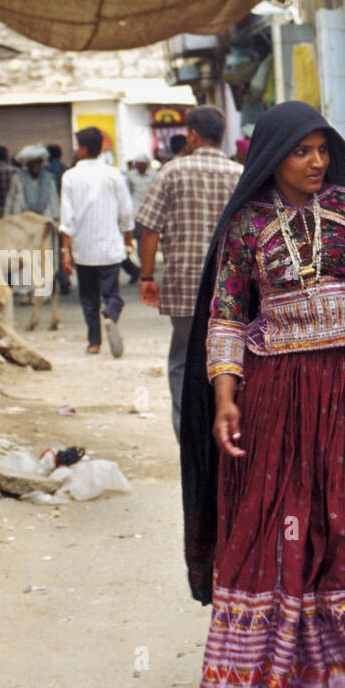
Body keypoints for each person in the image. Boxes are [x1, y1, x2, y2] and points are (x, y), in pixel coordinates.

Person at [180, 101, 345, 688]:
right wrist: (226, 396)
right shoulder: (246, 227)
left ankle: (341, 662)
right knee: (287, 526)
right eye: (300, 151)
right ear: (271, 158)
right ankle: (304, 674)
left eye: (321, 149)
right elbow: (227, 314)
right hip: (275, 392)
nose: (315, 162)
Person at [135, 105, 243, 440]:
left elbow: (149, 228)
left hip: (184, 286)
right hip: (231, 290)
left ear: (193, 135)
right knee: (229, 360)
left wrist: (147, 276)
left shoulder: (171, 172)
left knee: (183, 362)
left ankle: (188, 436)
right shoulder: (239, 174)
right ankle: (228, 428)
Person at [58, 126, 134, 357]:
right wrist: (128, 240)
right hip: (109, 248)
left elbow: (66, 217)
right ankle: (110, 314)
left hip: (83, 249)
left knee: (88, 297)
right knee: (112, 294)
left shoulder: (70, 176)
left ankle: (94, 343)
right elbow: (126, 211)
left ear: (81, 148)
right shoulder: (113, 175)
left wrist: (65, 251)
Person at [122, 154, 158, 285]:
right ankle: (144, 267)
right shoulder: (131, 176)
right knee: (139, 239)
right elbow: (127, 194)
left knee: (149, 239)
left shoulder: (154, 175)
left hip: (151, 211)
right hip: (136, 212)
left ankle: (148, 266)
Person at [4, 144, 60, 222]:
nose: (35, 166)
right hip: (23, 223)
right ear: (27, 164)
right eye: (32, 163)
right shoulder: (17, 179)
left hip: (44, 223)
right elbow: (10, 202)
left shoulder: (49, 179)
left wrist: (56, 222)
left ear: (41, 163)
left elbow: (54, 204)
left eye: (37, 162)